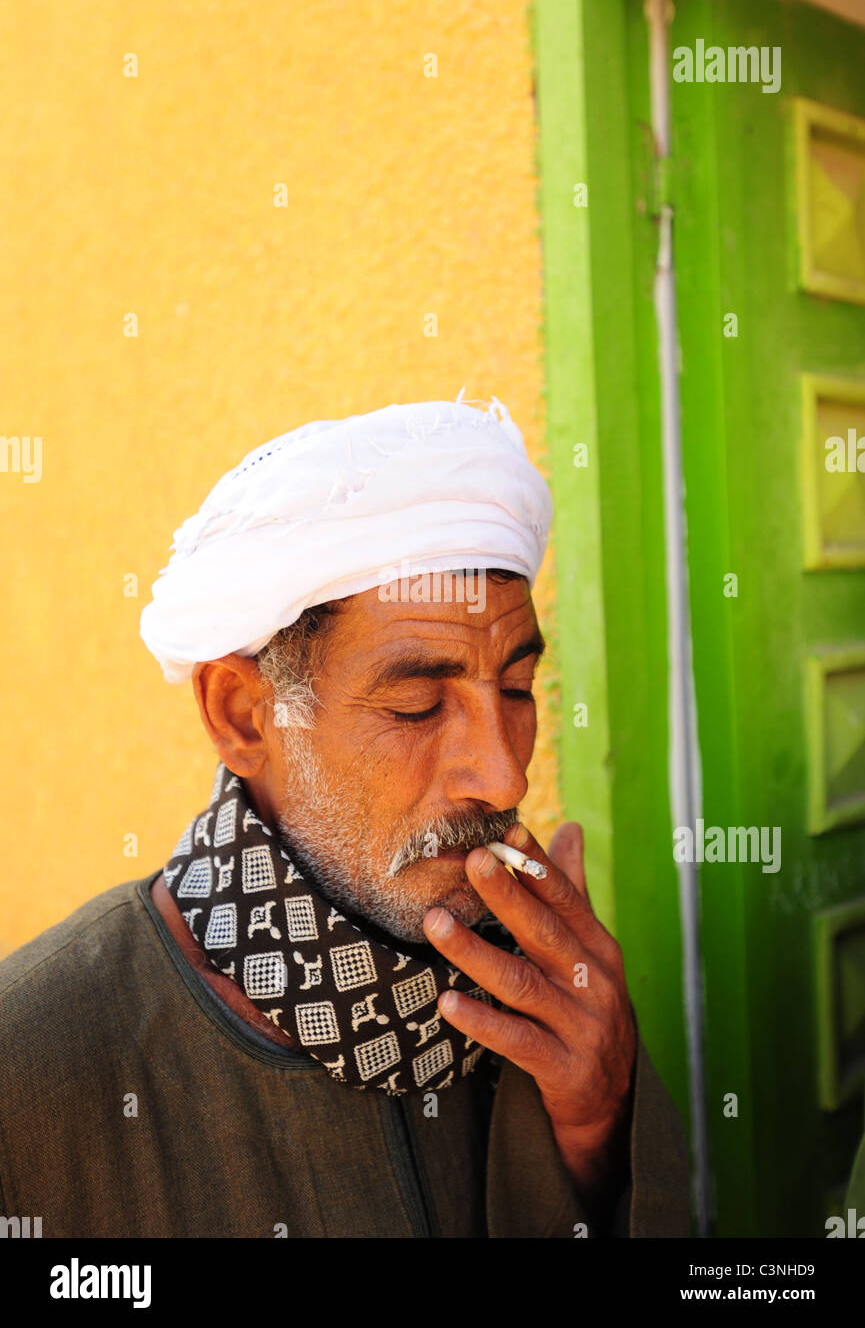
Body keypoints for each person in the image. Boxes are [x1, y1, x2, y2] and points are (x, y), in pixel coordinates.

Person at [0, 397, 690, 1238]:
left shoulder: (549, 1005)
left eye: (515, 690)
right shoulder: (30, 1066)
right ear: (245, 715)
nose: (504, 772)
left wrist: (598, 1125)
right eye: (416, 704)